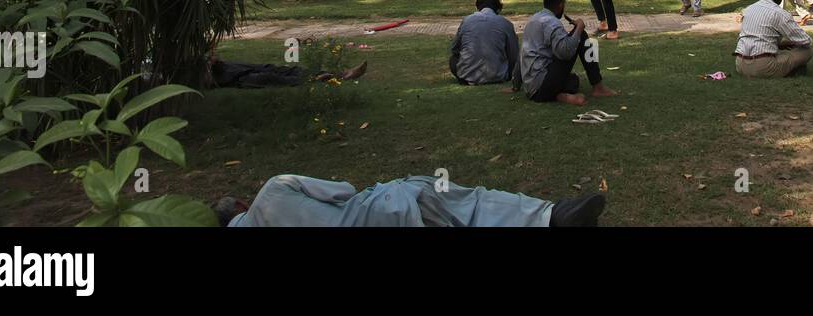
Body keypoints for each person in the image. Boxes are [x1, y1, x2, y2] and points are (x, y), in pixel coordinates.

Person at [218, 173, 606, 227]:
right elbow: (344, 191)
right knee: (469, 200)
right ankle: (550, 216)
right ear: (240, 206)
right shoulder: (274, 188)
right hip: (390, 208)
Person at [520, 0, 616, 105]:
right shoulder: (552, 23)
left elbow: (522, 54)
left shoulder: (533, 20)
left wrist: (515, 85)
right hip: (542, 85)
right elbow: (565, 52)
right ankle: (598, 86)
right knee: (582, 35)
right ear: (560, 4)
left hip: (531, 89)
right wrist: (579, 28)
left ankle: (559, 96)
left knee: (573, 80)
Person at [733, 0, 813, 78]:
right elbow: (806, 41)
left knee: (782, 47)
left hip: (740, 65)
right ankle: (793, 72)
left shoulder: (749, 9)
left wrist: (781, 43)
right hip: (763, 67)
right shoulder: (780, 14)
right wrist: (792, 43)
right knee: (806, 51)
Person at [449, 0, 520, 86]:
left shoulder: (467, 20)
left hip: (467, 76)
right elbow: (514, 54)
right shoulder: (506, 23)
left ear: (478, 7)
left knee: (453, 59)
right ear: (498, 10)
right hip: (498, 75)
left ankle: (468, 74)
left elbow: (455, 49)